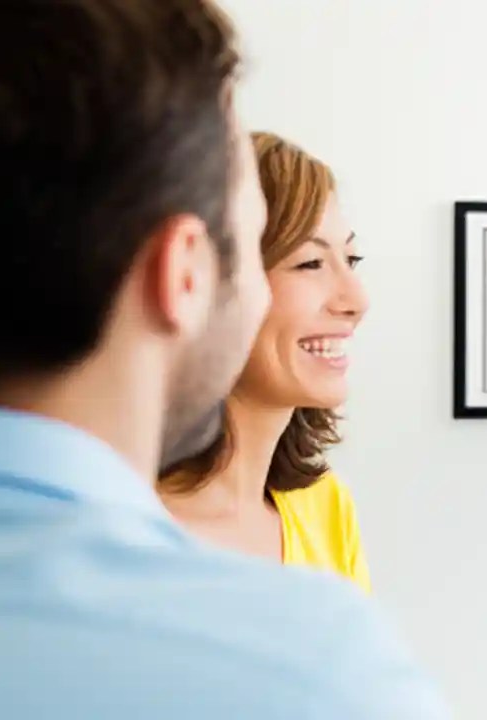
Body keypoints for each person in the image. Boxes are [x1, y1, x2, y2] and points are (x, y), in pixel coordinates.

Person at [0, 2, 449, 718]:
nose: (356, 300)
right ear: (184, 274)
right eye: (254, 249)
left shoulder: (322, 525)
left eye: (351, 259)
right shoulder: (313, 668)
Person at [160, 131, 373, 593]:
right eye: (311, 263)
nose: (357, 301)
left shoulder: (325, 506)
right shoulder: (131, 524)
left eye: (352, 258)